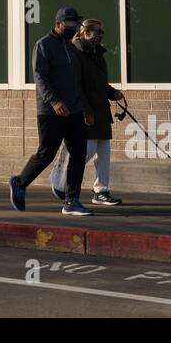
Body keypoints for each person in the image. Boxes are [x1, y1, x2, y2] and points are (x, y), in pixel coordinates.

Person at [9, 7, 92, 216]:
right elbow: (40, 78)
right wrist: (54, 101)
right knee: (46, 153)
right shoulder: (43, 45)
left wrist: (84, 107)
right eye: (69, 25)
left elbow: (77, 82)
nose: (73, 29)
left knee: (79, 153)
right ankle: (19, 182)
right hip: (50, 111)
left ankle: (72, 200)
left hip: (74, 110)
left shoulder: (71, 48)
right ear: (58, 24)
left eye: (75, 25)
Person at [49, 19, 125, 206]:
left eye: (101, 31)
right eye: (95, 31)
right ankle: (61, 181)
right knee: (86, 151)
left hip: (101, 110)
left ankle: (101, 190)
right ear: (84, 32)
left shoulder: (98, 55)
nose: (99, 35)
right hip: (84, 111)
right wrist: (86, 110)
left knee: (104, 153)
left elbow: (98, 84)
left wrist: (112, 93)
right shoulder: (74, 54)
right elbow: (75, 86)